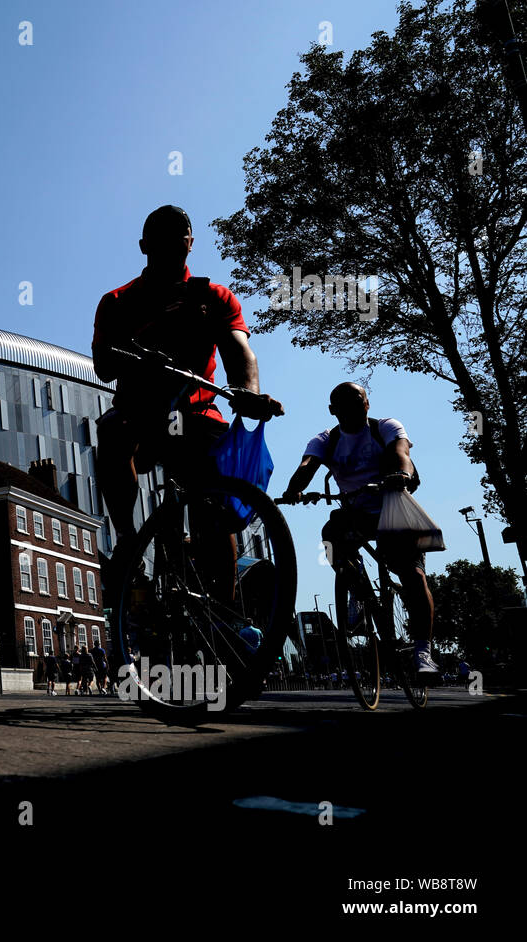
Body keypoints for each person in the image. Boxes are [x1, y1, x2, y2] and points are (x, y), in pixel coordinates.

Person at [91, 205, 282, 600]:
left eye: (180, 233)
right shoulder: (117, 302)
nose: (172, 240)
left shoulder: (213, 297)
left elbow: (239, 349)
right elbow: (104, 366)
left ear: (191, 243)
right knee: (112, 430)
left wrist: (247, 392)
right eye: (160, 234)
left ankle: (226, 613)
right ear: (144, 245)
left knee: (212, 509)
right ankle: (127, 536)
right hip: (140, 415)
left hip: (196, 413)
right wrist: (138, 357)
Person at [280, 382, 440, 683]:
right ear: (332, 410)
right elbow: (307, 465)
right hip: (355, 513)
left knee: (413, 575)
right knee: (330, 536)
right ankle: (357, 590)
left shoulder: (385, 427)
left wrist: (402, 474)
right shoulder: (327, 439)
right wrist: (294, 490)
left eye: (358, 401)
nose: (353, 408)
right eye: (344, 404)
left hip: (393, 508)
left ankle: (423, 652)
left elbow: (400, 451)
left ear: (368, 404)